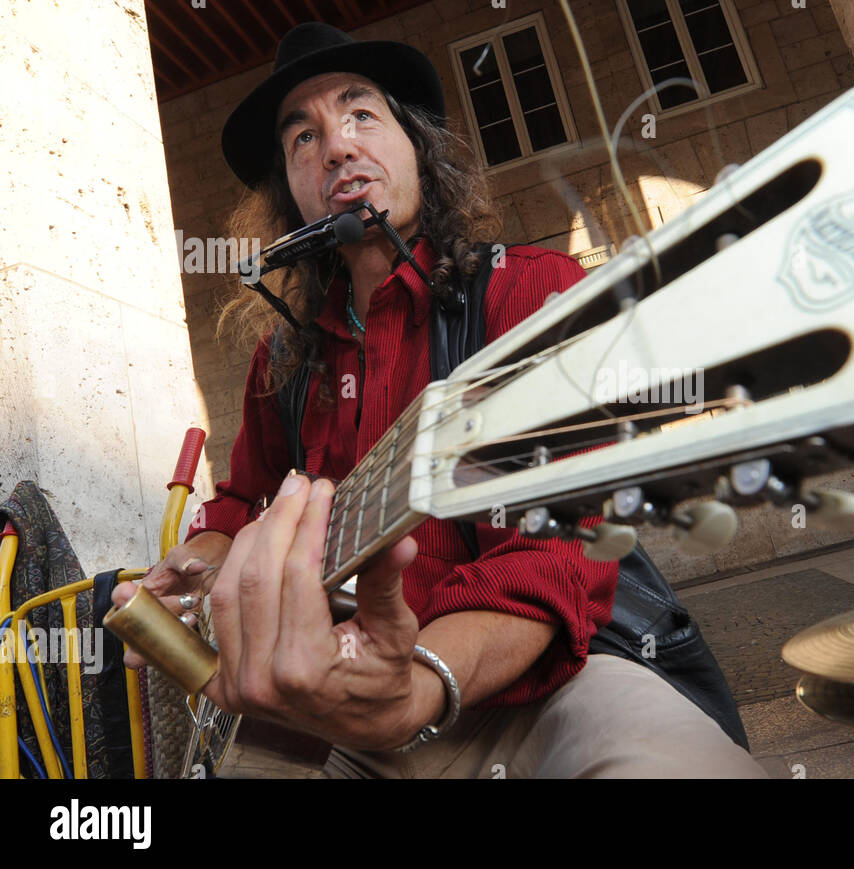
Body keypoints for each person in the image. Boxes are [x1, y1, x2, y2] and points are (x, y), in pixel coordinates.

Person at [113, 22, 765, 778]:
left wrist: (419, 683)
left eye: (363, 115)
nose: (337, 148)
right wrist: (198, 558)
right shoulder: (281, 364)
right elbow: (239, 500)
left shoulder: (532, 291)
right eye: (303, 138)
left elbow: (558, 550)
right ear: (290, 193)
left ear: (416, 147)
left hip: (549, 679)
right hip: (345, 693)